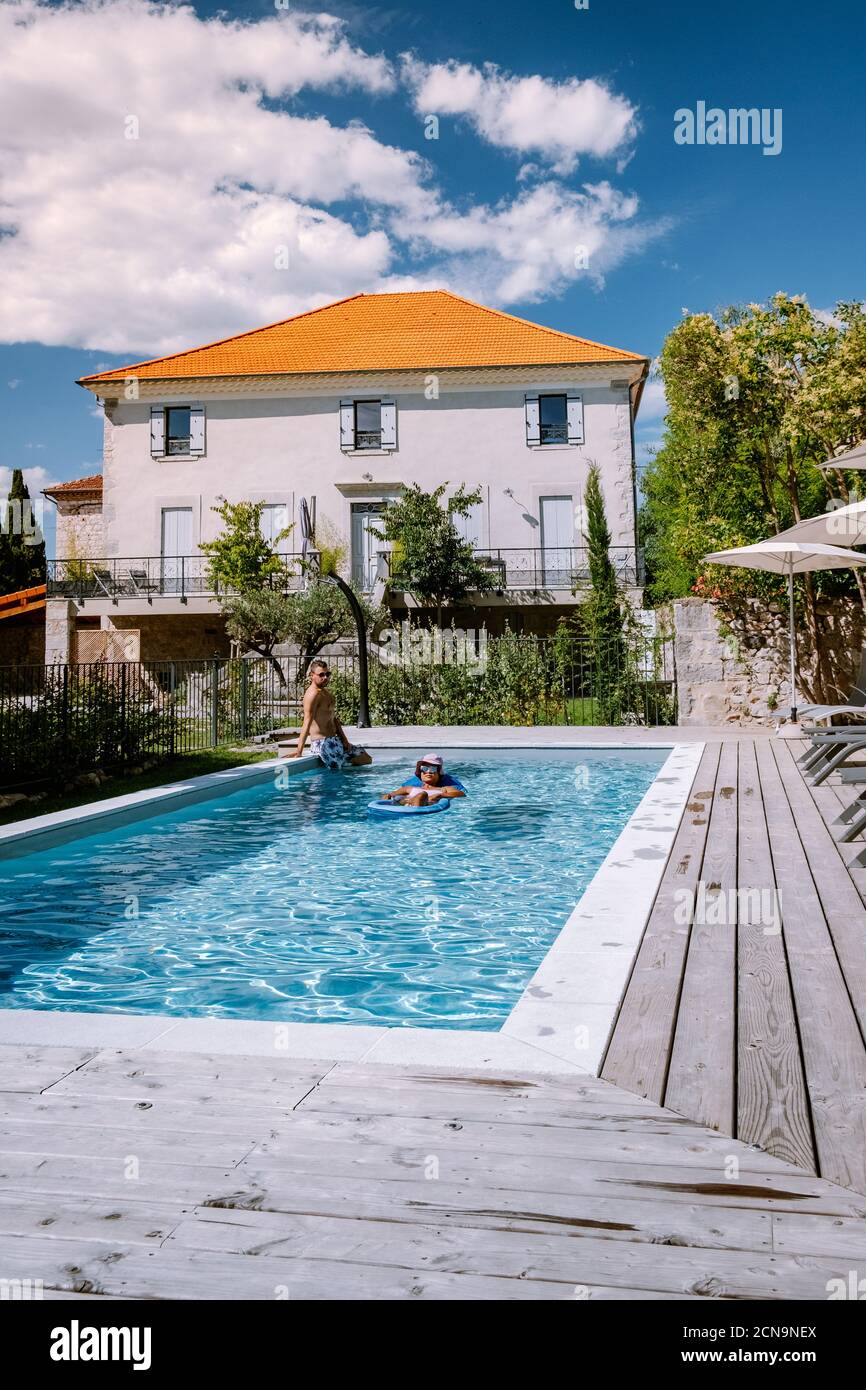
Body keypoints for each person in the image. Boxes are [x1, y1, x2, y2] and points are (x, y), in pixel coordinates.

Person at [287, 659, 373, 768]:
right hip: (322, 743)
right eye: (321, 675)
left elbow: (333, 718)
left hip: (335, 740)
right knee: (340, 774)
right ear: (312, 675)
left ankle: (346, 764)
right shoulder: (312, 695)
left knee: (366, 758)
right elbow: (307, 722)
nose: (325, 677)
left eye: (327, 674)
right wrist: (299, 750)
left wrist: (344, 739)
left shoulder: (325, 693)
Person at [381, 754, 466, 806]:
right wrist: (387, 796)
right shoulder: (410, 788)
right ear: (420, 773)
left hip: (425, 805)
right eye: (424, 769)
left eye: (433, 769)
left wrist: (440, 795)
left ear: (439, 773)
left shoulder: (443, 789)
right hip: (406, 804)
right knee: (421, 794)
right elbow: (391, 795)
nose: (428, 772)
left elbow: (461, 793)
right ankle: (414, 801)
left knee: (422, 795)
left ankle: (417, 801)